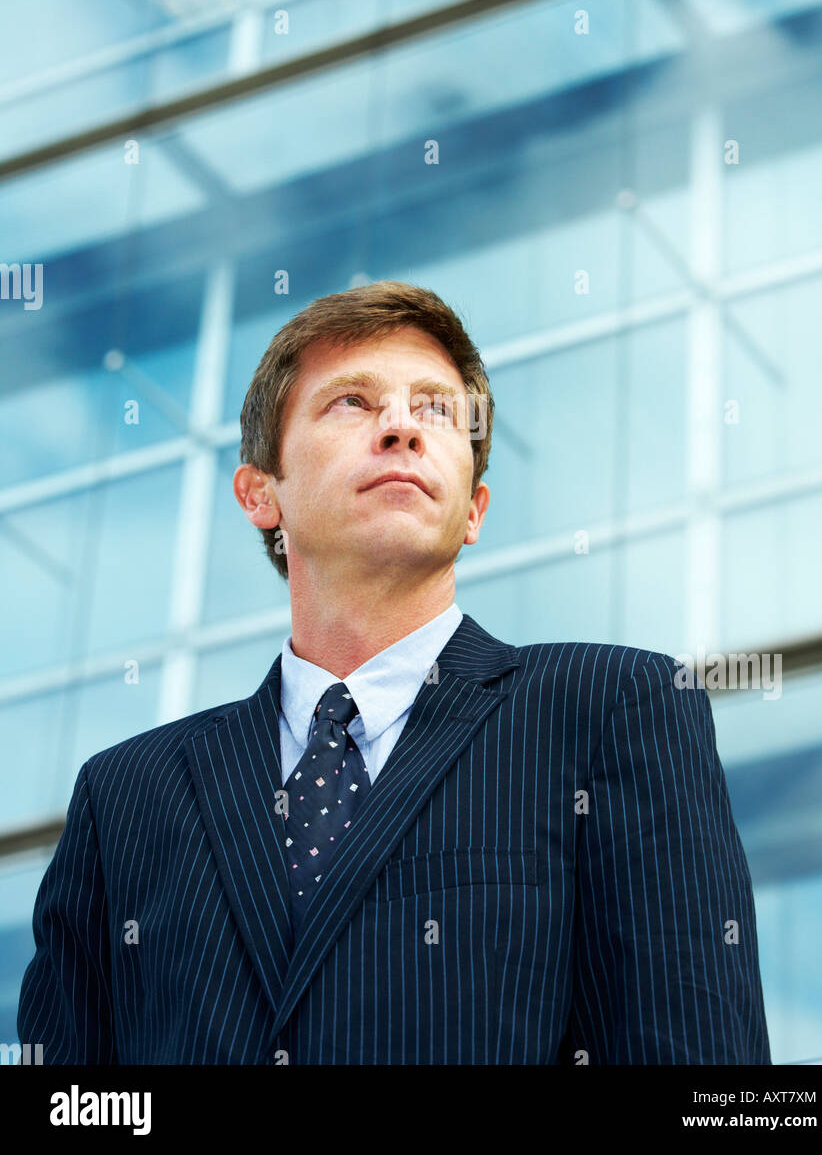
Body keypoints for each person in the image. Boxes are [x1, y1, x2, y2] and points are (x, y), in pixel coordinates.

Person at [17, 280, 772, 1064]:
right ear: (259, 493)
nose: (402, 427)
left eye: (437, 409)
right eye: (351, 401)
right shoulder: (124, 800)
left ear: (473, 509)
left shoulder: (610, 710)